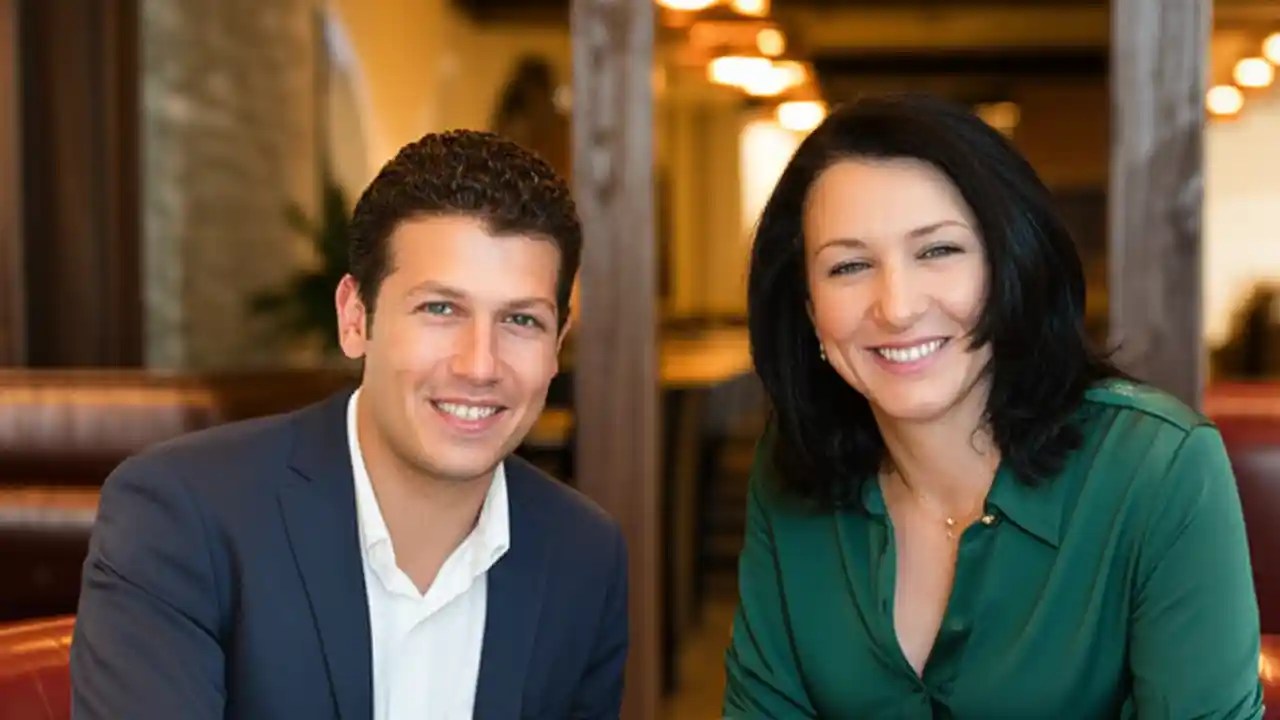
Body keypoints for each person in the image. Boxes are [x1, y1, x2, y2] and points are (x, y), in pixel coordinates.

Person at [723, 94, 1262, 718]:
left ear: (1011, 265)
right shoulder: (793, 469)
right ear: (809, 308)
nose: (896, 306)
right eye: (849, 265)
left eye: (938, 251)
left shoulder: (1160, 468)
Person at [71, 130, 628, 720]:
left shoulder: (583, 556)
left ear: (558, 345)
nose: (479, 365)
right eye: (440, 309)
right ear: (355, 318)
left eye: (521, 320)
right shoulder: (182, 516)